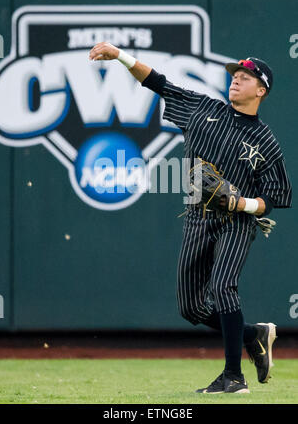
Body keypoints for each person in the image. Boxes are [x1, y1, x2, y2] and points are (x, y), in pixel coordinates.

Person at [89, 43, 292, 394]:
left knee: (223, 286)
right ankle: (253, 335)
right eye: (234, 75)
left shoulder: (266, 141)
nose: (236, 80)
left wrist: (241, 203)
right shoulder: (202, 108)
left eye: (245, 77)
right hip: (197, 216)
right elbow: (159, 83)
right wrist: (120, 55)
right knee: (191, 307)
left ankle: (234, 377)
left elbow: (274, 198)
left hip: (236, 222)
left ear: (262, 91)